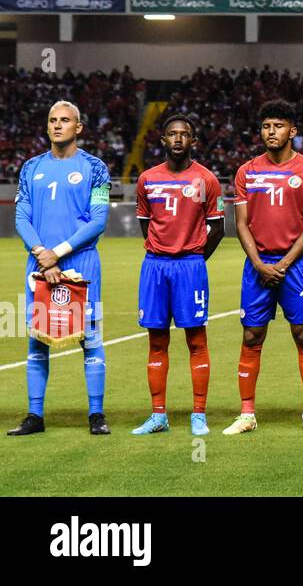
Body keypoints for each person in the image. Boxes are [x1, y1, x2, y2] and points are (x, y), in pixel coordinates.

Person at [8, 101, 111, 437]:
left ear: (78, 127)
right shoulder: (30, 167)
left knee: (90, 338)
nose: (57, 125)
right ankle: (35, 416)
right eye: (52, 120)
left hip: (80, 264)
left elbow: (98, 221)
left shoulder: (95, 168)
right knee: (38, 341)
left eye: (65, 120)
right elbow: (21, 216)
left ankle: (96, 414)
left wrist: (58, 254)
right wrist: (41, 253)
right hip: (39, 266)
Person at [223, 100, 303, 436]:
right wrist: (258, 264)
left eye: (279, 126)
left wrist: (281, 263)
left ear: (292, 131)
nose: (272, 132)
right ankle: (247, 413)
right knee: (252, 335)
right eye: (266, 126)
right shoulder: (246, 172)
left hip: (294, 267)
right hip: (257, 265)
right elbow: (241, 223)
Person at [132, 115, 226, 437]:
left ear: (193, 141)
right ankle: (158, 415)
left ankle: (198, 414)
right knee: (157, 341)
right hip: (155, 266)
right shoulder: (147, 179)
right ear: (162, 140)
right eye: (171, 134)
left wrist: (196, 258)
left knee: (196, 340)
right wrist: (164, 249)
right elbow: (147, 226)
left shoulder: (206, 180)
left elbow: (219, 228)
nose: (177, 139)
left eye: (184, 135)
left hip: (190, 267)